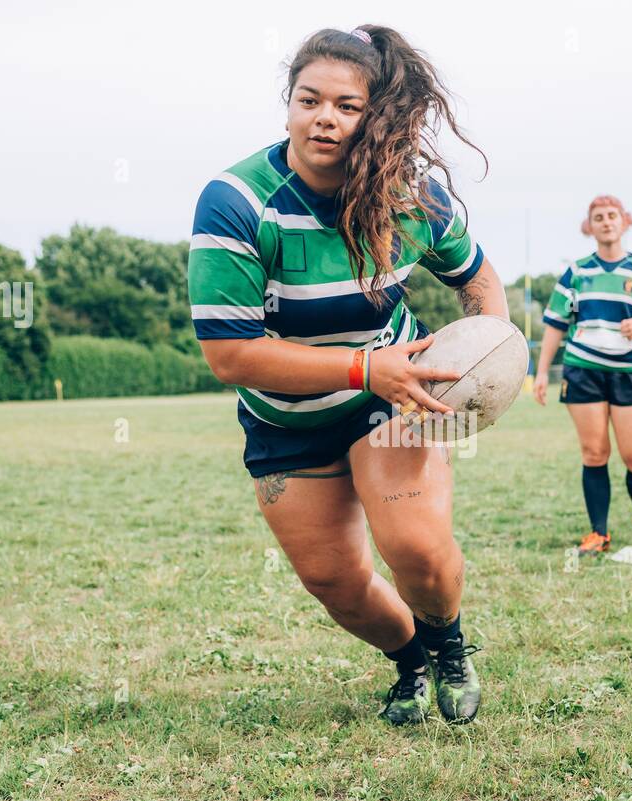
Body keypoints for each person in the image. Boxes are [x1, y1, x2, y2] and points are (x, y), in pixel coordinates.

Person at [188, 25, 509, 725]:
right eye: (309, 100)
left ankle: (448, 645)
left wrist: (493, 353)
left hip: (391, 396)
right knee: (334, 581)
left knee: (416, 548)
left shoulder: (409, 200)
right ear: (289, 107)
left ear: (376, 118)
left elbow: (477, 276)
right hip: (287, 415)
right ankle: (408, 662)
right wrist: (367, 368)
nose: (324, 117)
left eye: (345, 105)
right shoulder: (238, 201)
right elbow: (229, 355)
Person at [532, 195, 632, 555]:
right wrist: (540, 373)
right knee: (595, 453)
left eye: (612, 216)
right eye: (598, 217)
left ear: (625, 222)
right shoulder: (577, 272)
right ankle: (599, 533)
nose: (606, 221)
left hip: (630, 373)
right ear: (589, 227)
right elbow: (554, 324)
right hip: (583, 371)